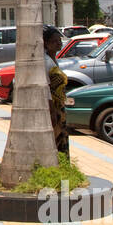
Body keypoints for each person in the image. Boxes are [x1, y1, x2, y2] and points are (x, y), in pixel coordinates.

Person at [44, 26, 70, 155]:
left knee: (62, 136)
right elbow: (46, 88)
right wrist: (52, 111)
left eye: (59, 40)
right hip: (54, 106)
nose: (58, 43)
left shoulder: (54, 60)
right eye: (54, 41)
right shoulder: (46, 62)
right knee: (57, 137)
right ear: (46, 44)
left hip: (60, 105)